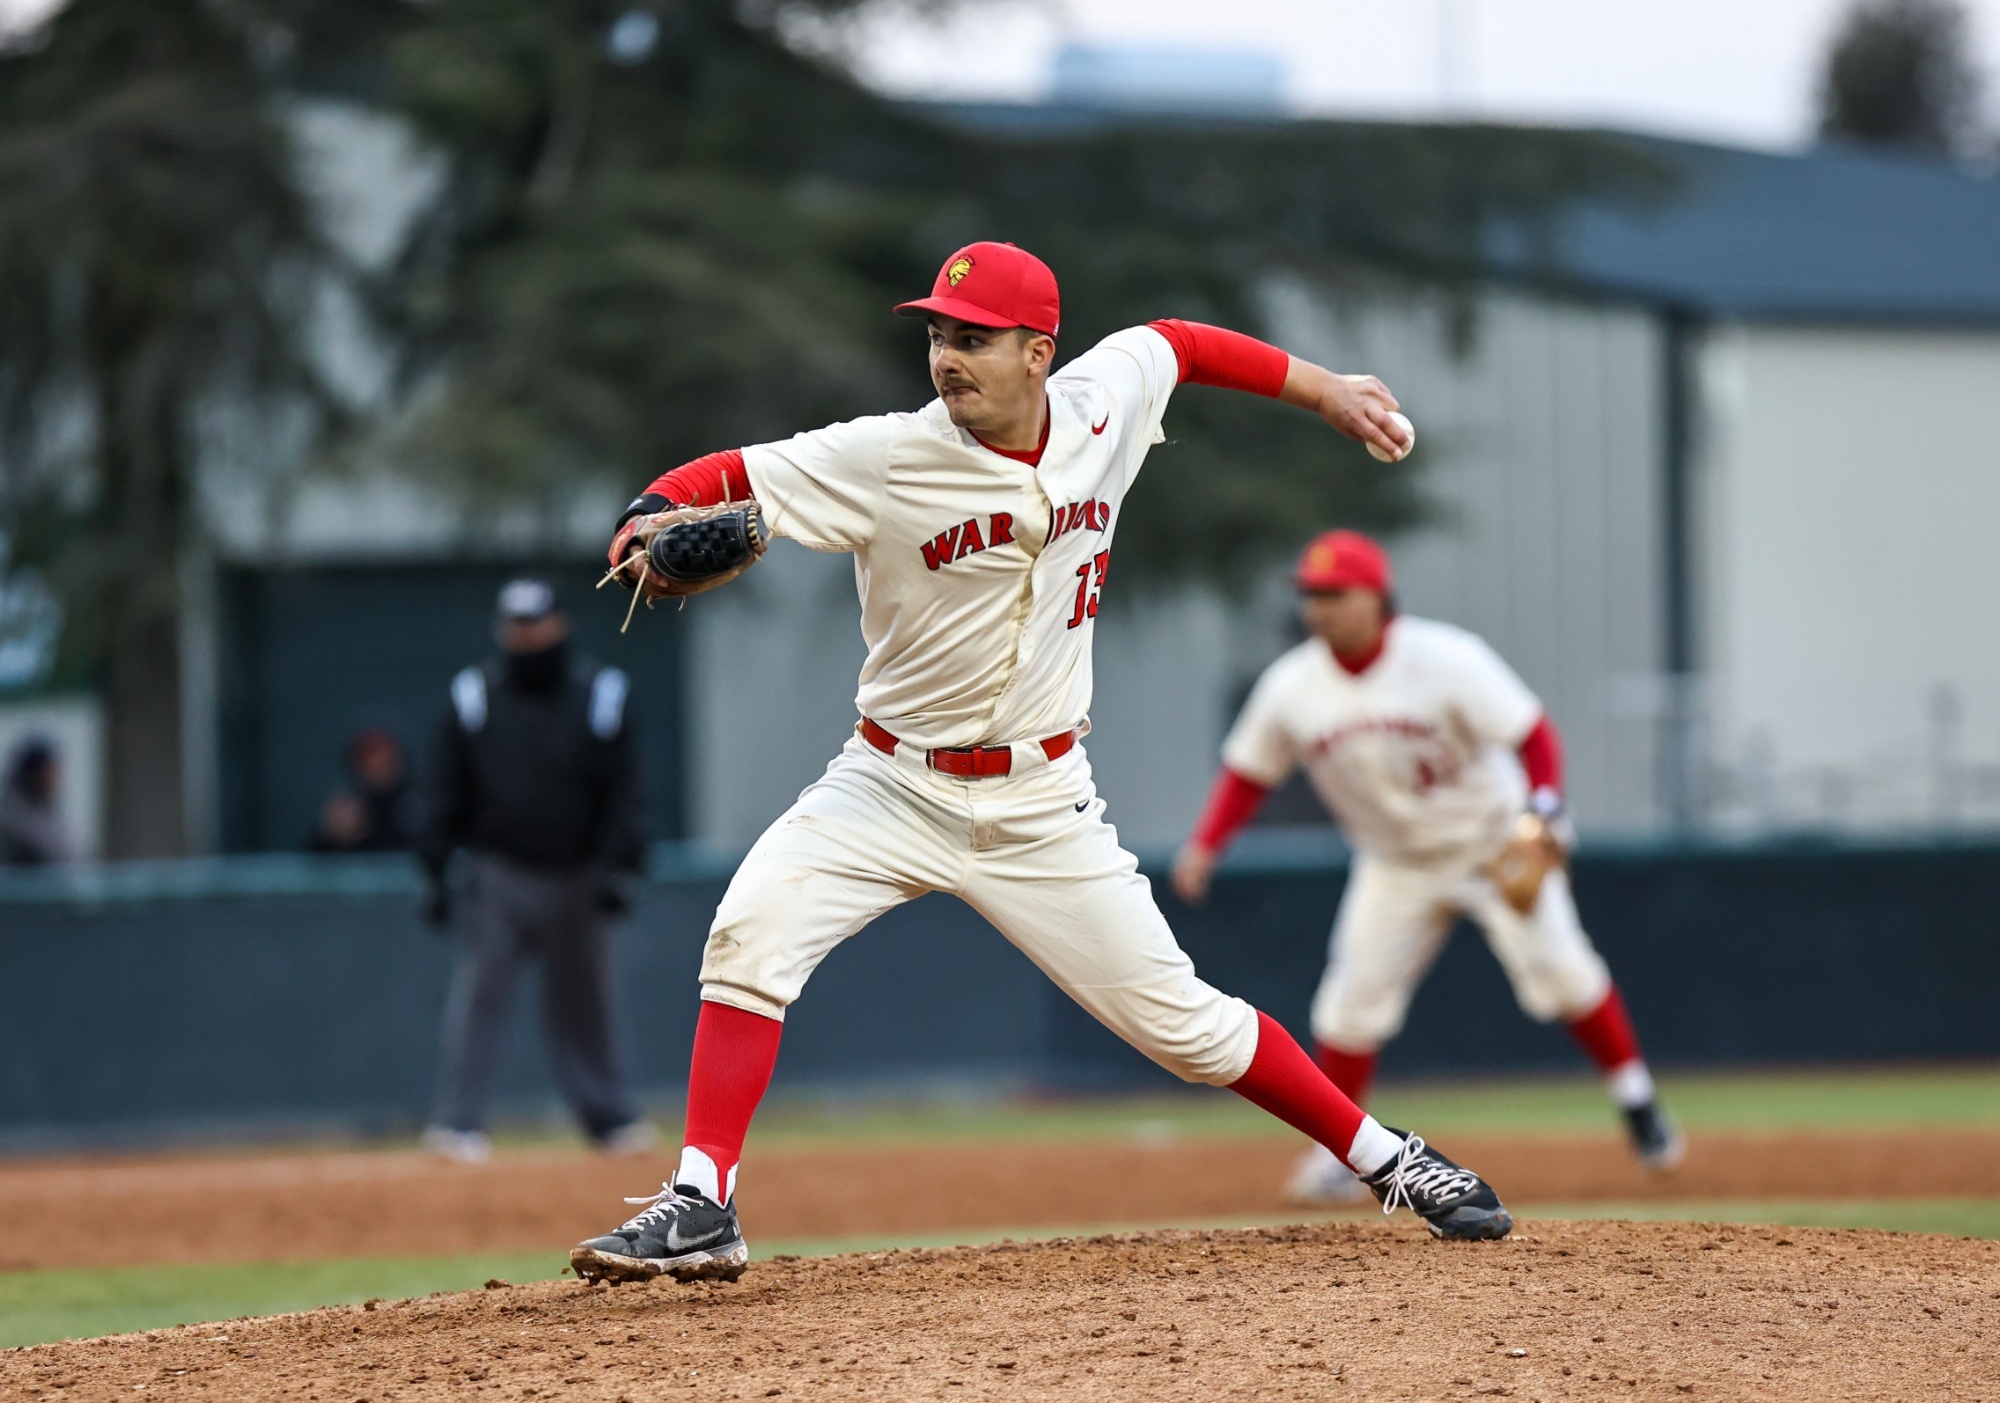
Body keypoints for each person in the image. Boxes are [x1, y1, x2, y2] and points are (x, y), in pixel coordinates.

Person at [569, 241, 1513, 1288]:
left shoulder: (1101, 407)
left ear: (1036, 353)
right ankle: (704, 1203)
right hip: (889, 782)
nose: (946, 356)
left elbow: (1181, 343)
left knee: (1185, 1030)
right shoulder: (885, 455)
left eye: (972, 339)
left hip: (1042, 801)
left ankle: (1390, 1162)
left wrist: (1324, 390)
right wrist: (642, 519)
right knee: (750, 933)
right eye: (936, 334)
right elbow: (724, 476)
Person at [1172, 529, 1682, 1205]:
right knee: (1349, 1005)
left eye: (1332, 594)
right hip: (1395, 863)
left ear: (1377, 597)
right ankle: (1339, 1154)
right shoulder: (1292, 684)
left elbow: (1533, 734)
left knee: (1563, 974)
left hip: (1491, 844)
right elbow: (1248, 771)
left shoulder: (1446, 659)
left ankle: (1639, 1104)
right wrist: (1208, 843)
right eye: (1309, 595)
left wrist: (1548, 810)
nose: (1317, 608)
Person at [416, 577, 654, 1162]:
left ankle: (609, 1119)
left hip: (580, 872)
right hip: (500, 872)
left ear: (560, 624)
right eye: (515, 626)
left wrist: (620, 866)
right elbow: (447, 787)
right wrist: (435, 866)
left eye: (536, 624)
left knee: (586, 1004)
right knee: (479, 1000)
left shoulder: (603, 692)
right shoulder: (474, 694)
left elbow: (627, 790)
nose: (526, 637)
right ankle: (460, 1123)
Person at [308, 727, 417, 853]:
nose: (378, 764)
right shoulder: (351, 807)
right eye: (369, 757)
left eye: (384, 755)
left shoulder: (421, 802)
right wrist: (331, 837)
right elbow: (307, 862)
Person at [0, 735, 77, 866]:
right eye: (48, 772)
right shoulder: (11, 819)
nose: (54, 778)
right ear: (32, 773)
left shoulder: (48, 813)